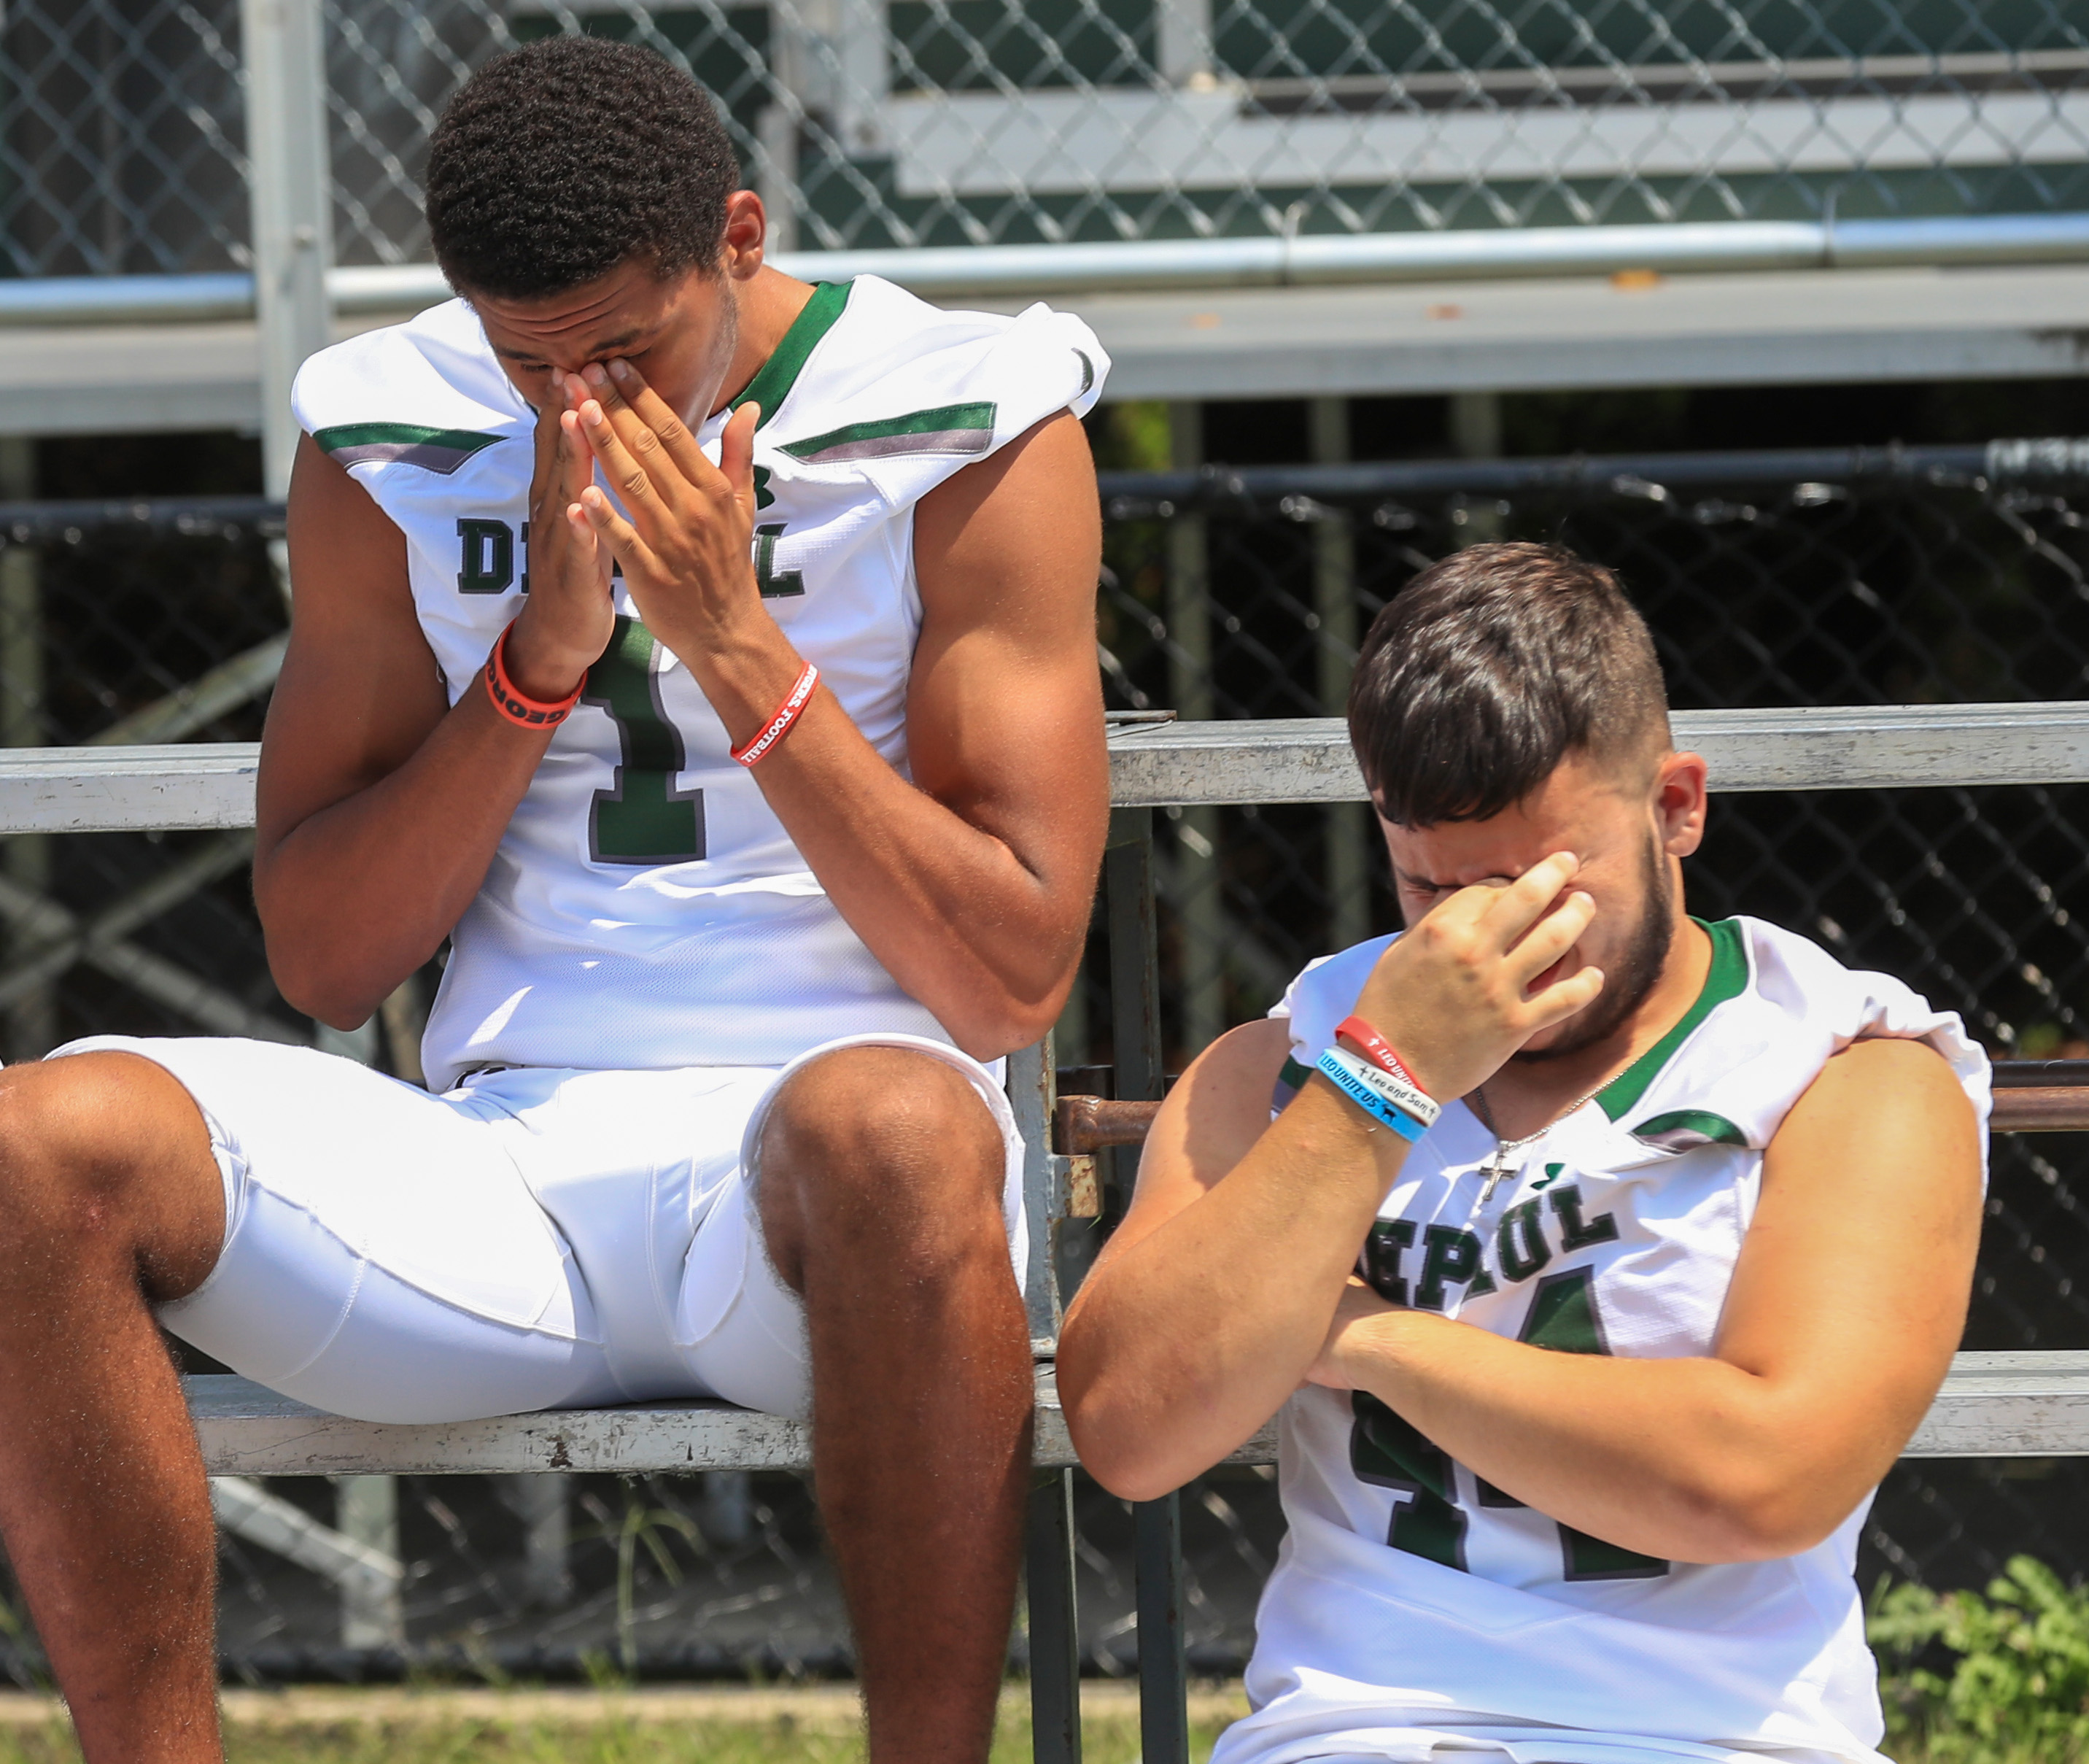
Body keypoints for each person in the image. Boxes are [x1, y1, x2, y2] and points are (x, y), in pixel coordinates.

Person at [0, 35, 1109, 1764]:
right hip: (506, 1165)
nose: (574, 406)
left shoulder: (964, 408)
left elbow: (1011, 974)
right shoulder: (391, 424)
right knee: (29, 1148)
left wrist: (735, 645)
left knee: (892, 1125)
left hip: (837, 1202)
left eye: (620, 350)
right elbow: (328, 956)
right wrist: (532, 666)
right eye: (527, 364)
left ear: (736, 240)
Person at [1058, 542, 1988, 1764]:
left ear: (1675, 808)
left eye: (1529, 882)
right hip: (1359, 1732)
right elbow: (1128, 1428)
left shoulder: (1847, 1071)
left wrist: (1368, 1338)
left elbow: (1763, 1477)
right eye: (1426, 888)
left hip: (1711, 1740)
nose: (1479, 936)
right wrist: (1383, 1081)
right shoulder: (1286, 1062)